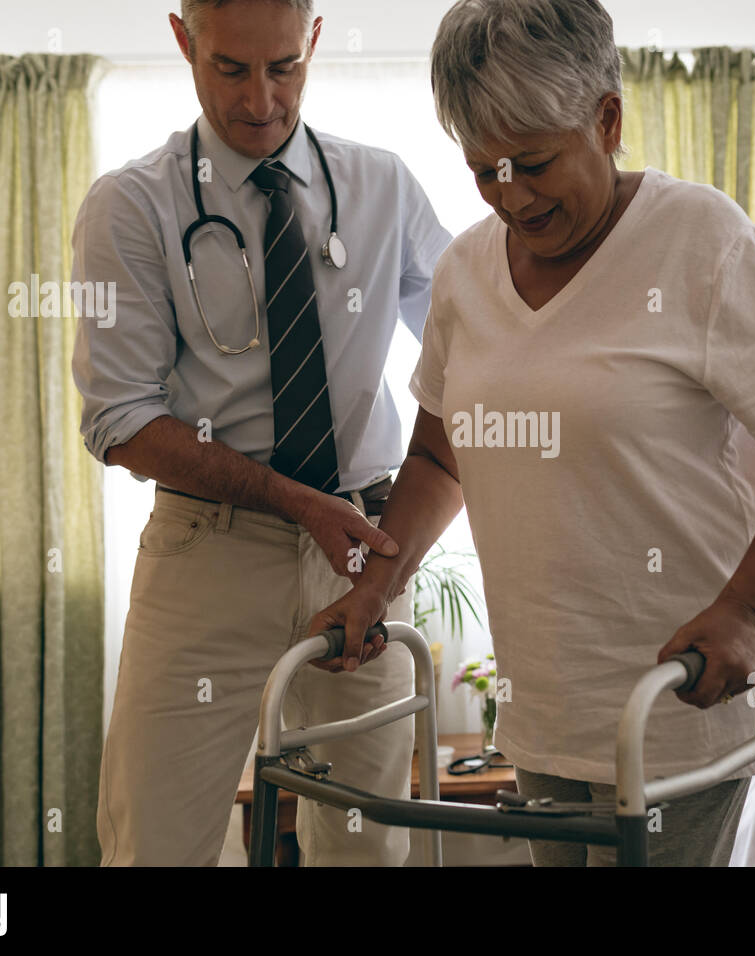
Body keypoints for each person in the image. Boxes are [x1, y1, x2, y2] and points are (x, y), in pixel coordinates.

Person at [310, 0, 755, 867]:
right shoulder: (466, 271)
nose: (512, 197)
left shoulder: (698, 239)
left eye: (534, 164)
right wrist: (378, 586)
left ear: (606, 119)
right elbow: (437, 454)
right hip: (543, 711)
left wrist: (743, 610)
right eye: (484, 170)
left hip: (676, 705)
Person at [71, 0, 451, 865]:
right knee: (156, 846)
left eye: (283, 67)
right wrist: (295, 502)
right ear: (183, 40)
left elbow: (478, 356)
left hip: (362, 554)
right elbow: (120, 419)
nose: (259, 102)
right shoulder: (132, 206)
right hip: (210, 551)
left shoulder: (383, 186)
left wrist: (388, 562)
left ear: (314, 40)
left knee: (368, 848)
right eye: (230, 68)